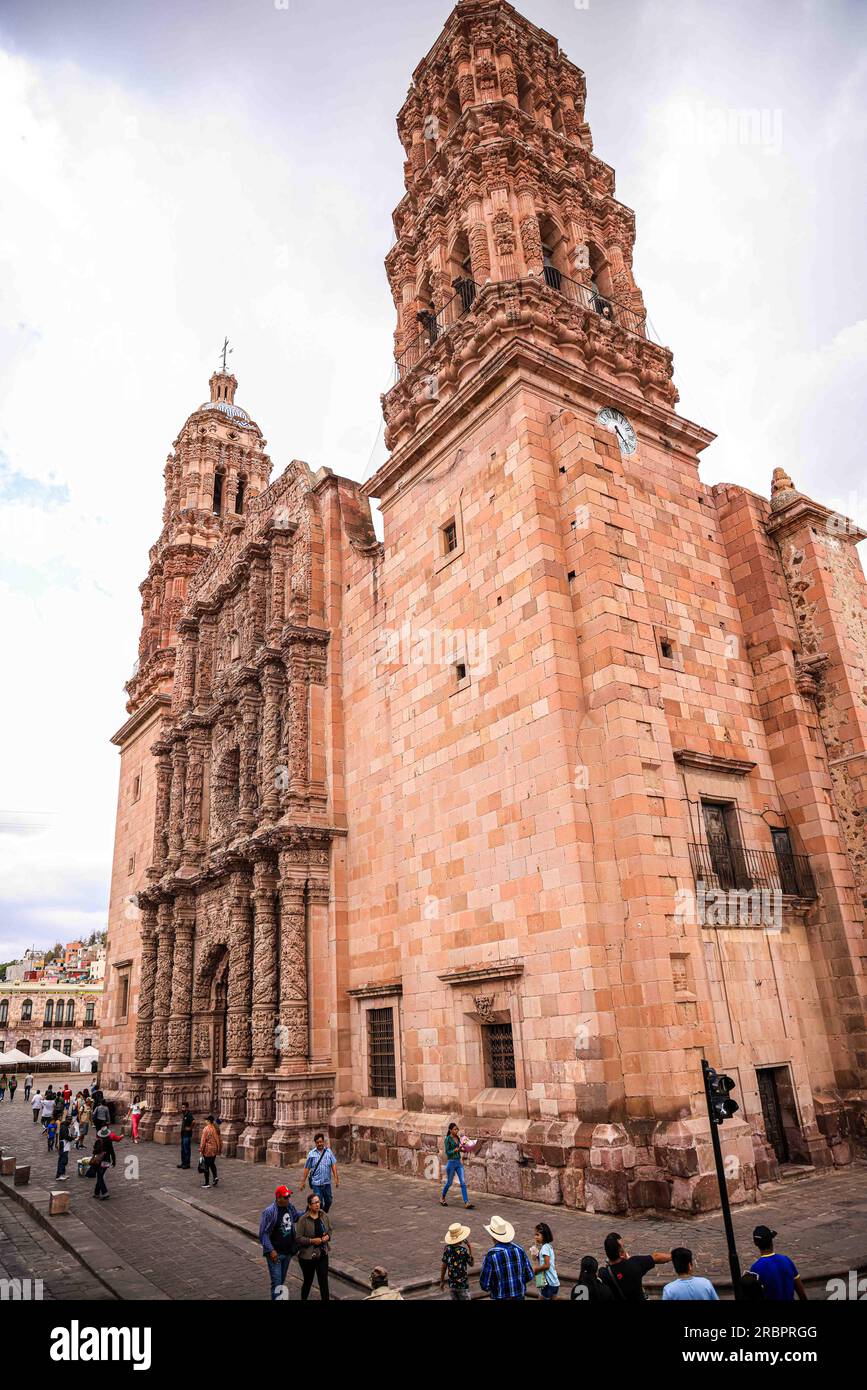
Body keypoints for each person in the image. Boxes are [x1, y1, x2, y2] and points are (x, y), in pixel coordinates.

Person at [259, 1185, 302, 1300]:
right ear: (278, 1198)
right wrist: (271, 1251)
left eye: (289, 1196)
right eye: (286, 1197)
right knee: (277, 1284)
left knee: (281, 1282)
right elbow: (263, 1234)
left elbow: (296, 1217)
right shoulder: (269, 1212)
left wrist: (308, 1211)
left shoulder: (289, 1207)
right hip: (275, 1254)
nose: (288, 1198)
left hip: (287, 1252)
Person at [600, 1232, 670, 1302]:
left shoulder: (603, 1273)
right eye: (623, 1247)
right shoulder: (634, 1264)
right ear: (620, 1253)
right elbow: (656, 1257)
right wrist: (674, 1255)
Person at [479, 1215, 534, 1301]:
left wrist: (496, 1288)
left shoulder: (491, 1255)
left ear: (492, 1236)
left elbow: (484, 1284)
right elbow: (529, 1274)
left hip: (500, 1296)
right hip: (519, 1296)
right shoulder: (519, 1249)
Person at [750, 1226, 807, 1301]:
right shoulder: (786, 1260)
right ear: (771, 1241)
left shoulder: (755, 1268)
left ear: (755, 1243)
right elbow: (801, 1293)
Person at [295, 1191, 332, 1301]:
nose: (317, 1204)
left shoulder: (323, 1215)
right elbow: (298, 1238)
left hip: (322, 1253)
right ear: (309, 1205)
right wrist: (311, 1241)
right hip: (307, 1257)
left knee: (323, 1281)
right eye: (315, 1203)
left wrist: (328, 1237)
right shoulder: (303, 1219)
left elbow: (330, 1229)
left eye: (318, 1202)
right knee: (308, 1281)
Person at [300, 1132, 339, 1212]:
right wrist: (303, 1181)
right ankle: (319, 1217)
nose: (320, 1144)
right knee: (319, 1203)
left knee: (329, 1201)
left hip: (326, 1183)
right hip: (316, 1183)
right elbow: (307, 1168)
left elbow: (333, 1164)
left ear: (323, 1141)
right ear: (315, 1143)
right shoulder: (312, 1154)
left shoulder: (328, 1152)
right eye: (318, 1142)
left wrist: (336, 1178)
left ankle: (323, 1213)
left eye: (321, 1142)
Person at [440, 1121, 474, 1210]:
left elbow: (459, 1149)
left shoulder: (458, 1138)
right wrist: (455, 1150)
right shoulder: (447, 1139)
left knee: (463, 1182)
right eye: (455, 1129)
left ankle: (466, 1202)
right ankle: (442, 1197)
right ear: (450, 1130)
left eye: (457, 1129)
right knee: (449, 1183)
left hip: (458, 1163)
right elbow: (448, 1152)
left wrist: (465, 1149)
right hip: (451, 1163)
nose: (456, 1130)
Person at [440, 1221, 474, 1300]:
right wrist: (470, 1247)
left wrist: (442, 1281)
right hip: (462, 1285)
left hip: (452, 1284)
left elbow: (444, 1266)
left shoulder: (447, 1249)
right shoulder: (463, 1251)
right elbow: (471, 1263)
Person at [531, 1222, 560, 1300]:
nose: (535, 1237)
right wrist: (536, 1250)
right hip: (554, 1282)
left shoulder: (544, 1248)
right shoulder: (548, 1246)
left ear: (544, 1236)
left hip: (547, 1282)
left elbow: (547, 1265)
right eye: (535, 1235)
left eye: (537, 1235)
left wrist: (536, 1269)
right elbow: (539, 1260)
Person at [91, 1127, 115, 1200]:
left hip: (100, 1161)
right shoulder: (109, 1141)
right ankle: (96, 1193)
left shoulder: (99, 1141)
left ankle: (105, 1193)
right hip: (107, 1161)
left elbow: (95, 1151)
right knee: (100, 1175)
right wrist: (114, 1161)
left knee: (100, 1176)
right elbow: (112, 1152)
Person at [199, 1114, 221, 1187]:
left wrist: (201, 1149)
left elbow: (203, 1140)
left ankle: (207, 1183)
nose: (205, 1121)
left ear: (208, 1121)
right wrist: (219, 1148)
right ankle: (215, 1177)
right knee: (212, 1163)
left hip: (208, 1149)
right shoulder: (216, 1128)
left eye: (206, 1120)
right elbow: (219, 1139)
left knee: (206, 1166)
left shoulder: (206, 1129)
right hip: (214, 1149)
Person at [55, 1117, 73, 1181]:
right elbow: (65, 1136)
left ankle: (62, 1173)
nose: (70, 1122)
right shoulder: (64, 1127)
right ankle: (59, 1175)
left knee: (64, 1159)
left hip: (65, 1145)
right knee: (62, 1160)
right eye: (69, 1120)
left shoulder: (65, 1126)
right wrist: (72, 1138)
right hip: (63, 1144)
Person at [178, 1102, 194, 1170]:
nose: (182, 1109)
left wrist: (190, 1128)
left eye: (184, 1107)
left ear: (187, 1107)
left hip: (187, 1135)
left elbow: (193, 1121)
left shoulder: (189, 1114)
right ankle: (183, 1163)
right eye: (182, 1107)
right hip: (183, 1134)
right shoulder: (184, 1114)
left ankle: (187, 1164)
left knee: (186, 1149)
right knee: (183, 1150)